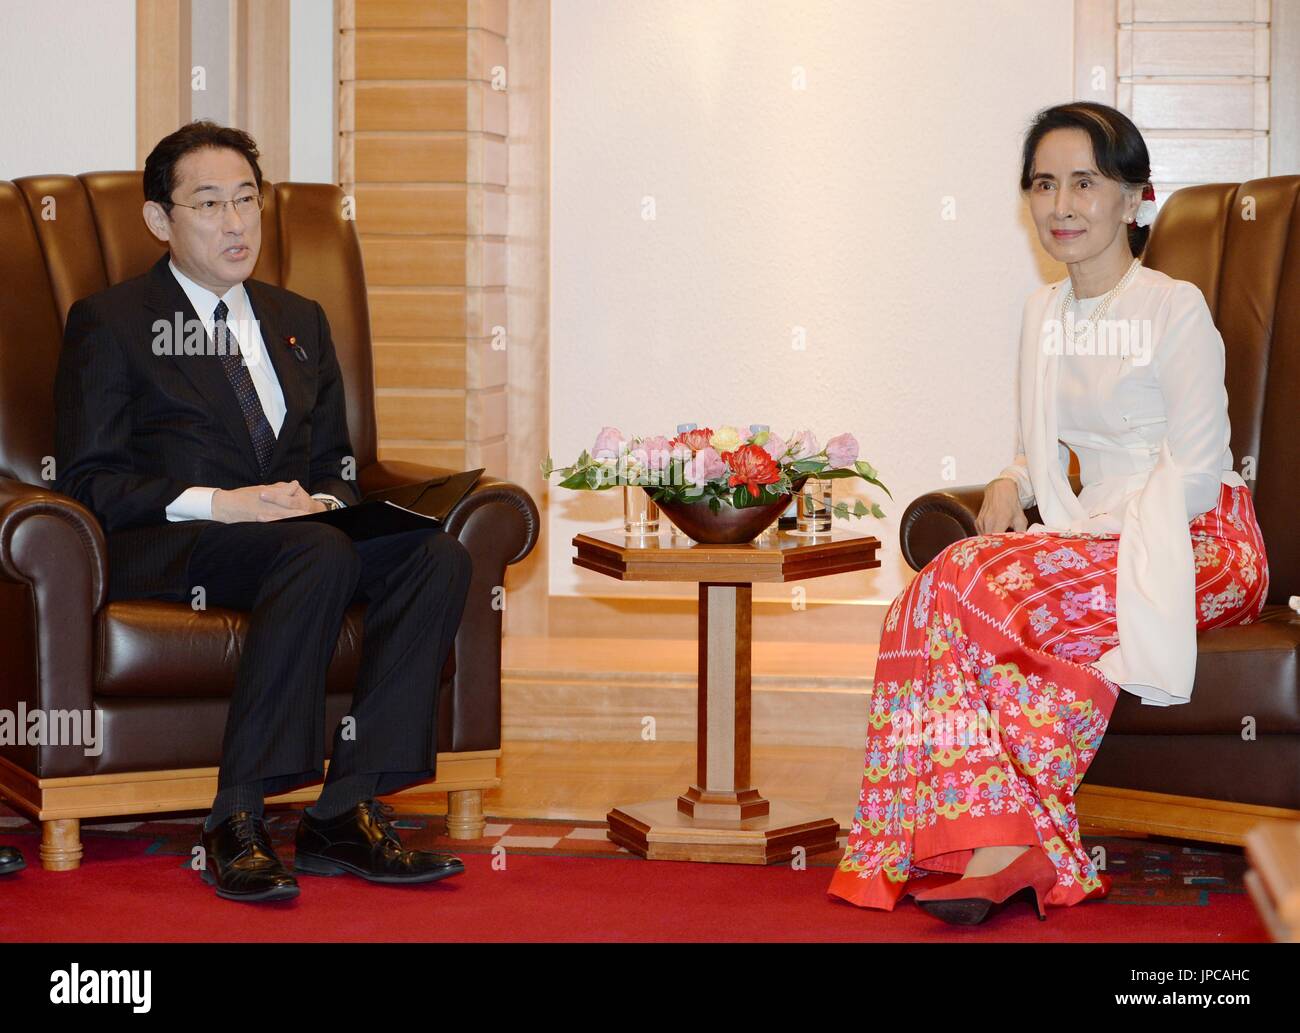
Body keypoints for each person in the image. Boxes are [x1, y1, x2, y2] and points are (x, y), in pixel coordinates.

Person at [827, 102, 1270, 925]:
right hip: (1100, 530)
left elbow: (1201, 476)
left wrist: (1093, 525)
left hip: (1196, 540)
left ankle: (1003, 844)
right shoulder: (1042, 314)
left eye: (1084, 182)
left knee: (968, 579)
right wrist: (1015, 474)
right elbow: (1062, 434)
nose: (1061, 204)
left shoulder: (1174, 311)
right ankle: (990, 838)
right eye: (1043, 183)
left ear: (1133, 197)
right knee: (929, 593)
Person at [53, 121, 474, 904]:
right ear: (159, 220)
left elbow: (337, 466)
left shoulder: (299, 319)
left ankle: (346, 810)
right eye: (209, 203)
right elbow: (87, 480)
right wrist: (228, 505)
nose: (236, 222)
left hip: (297, 537)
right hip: (176, 545)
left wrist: (322, 500)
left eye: (247, 199)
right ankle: (236, 814)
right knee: (317, 554)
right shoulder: (110, 323)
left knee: (436, 553)